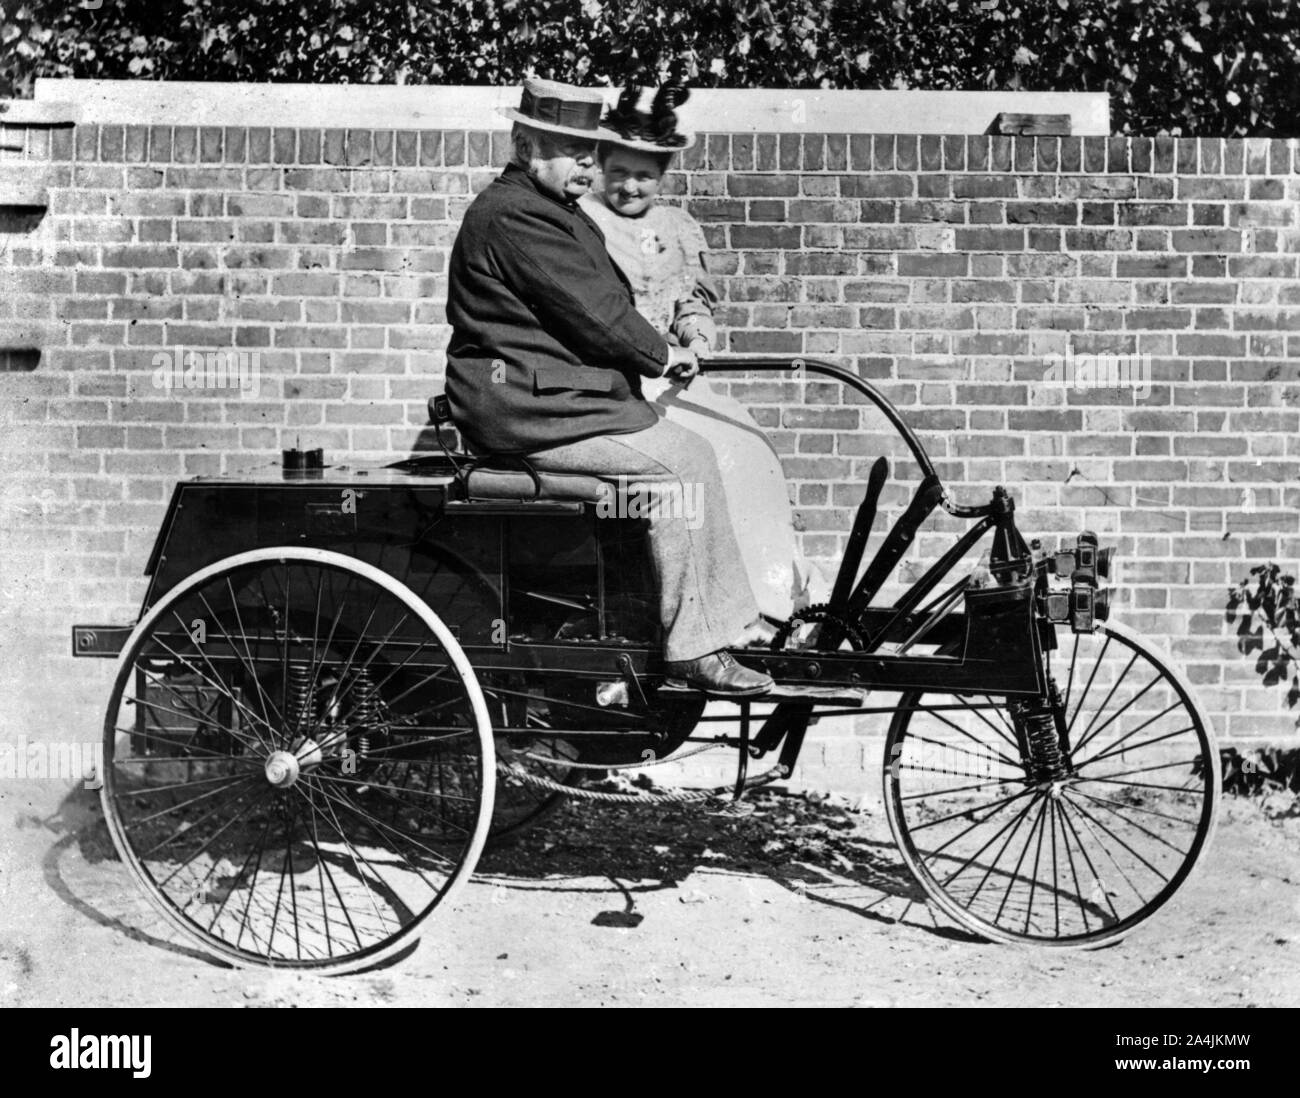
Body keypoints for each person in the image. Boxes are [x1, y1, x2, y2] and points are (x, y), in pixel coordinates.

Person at [443, 78, 773, 696]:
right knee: (685, 463)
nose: (586, 165)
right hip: (531, 411)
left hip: (556, 401)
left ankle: (705, 620)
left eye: (589, 152)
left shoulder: (550, 209)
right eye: (570, 150)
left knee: (704, 450)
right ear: (525, 145)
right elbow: (596, 312)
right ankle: (697, 647)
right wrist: (665, 354)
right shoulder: (516, 215)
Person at [579, 85, 829, 623]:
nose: (629, 186)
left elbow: (689, 302)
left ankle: (771, 601)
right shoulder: (583, 222)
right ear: (600, 165)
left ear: (663, 175)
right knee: (712, 457)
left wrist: (695, 339)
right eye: (618, 172)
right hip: (618, 383)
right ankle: (721, 610)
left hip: (674, 379)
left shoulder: (676, 228)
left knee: (749, 447)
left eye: (644, 175)